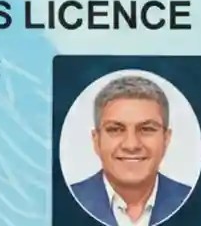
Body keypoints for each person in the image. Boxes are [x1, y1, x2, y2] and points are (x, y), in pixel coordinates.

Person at [68, 75, 192, 226]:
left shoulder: (194, 202)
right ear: (96, 140)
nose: (131, 145)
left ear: (166, 139)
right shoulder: (64, 202)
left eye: (146, 129)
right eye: (115, 130)